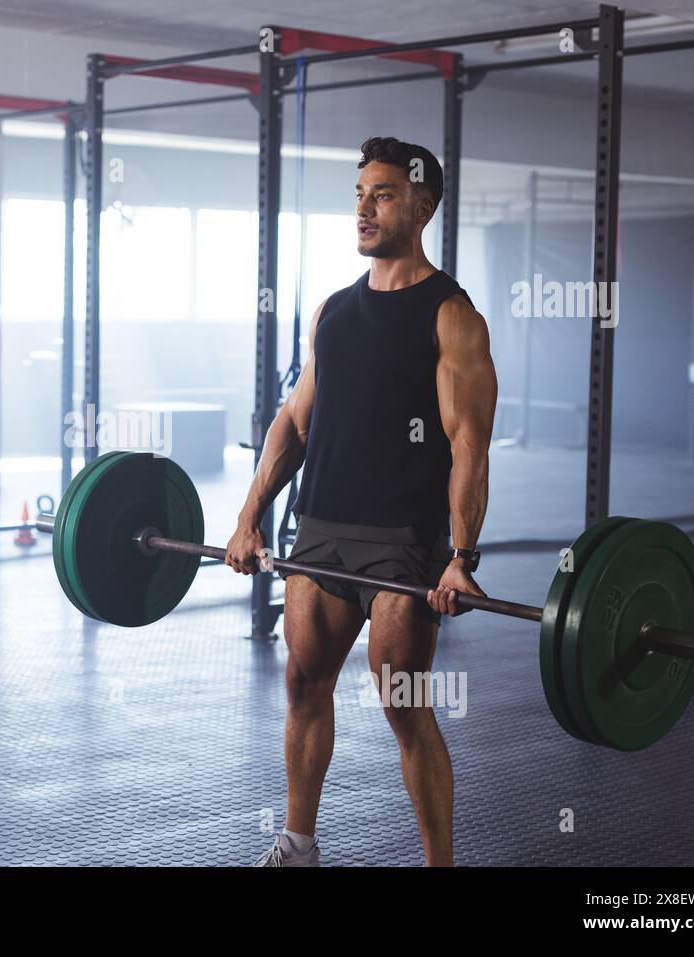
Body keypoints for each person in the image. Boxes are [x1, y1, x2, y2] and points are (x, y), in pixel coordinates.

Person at [228, 136, 498, 867]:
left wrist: (461, 556)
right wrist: (251, 513)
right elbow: (295, 421)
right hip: (320, 530)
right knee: (303, 682)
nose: (364, 209)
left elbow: (469, 443)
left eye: (381, 195)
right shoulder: (335, 313)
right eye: (359, 195)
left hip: (402, 544)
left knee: (404, 705)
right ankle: (300, 844)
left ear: (422, 204)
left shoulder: (451, 316)